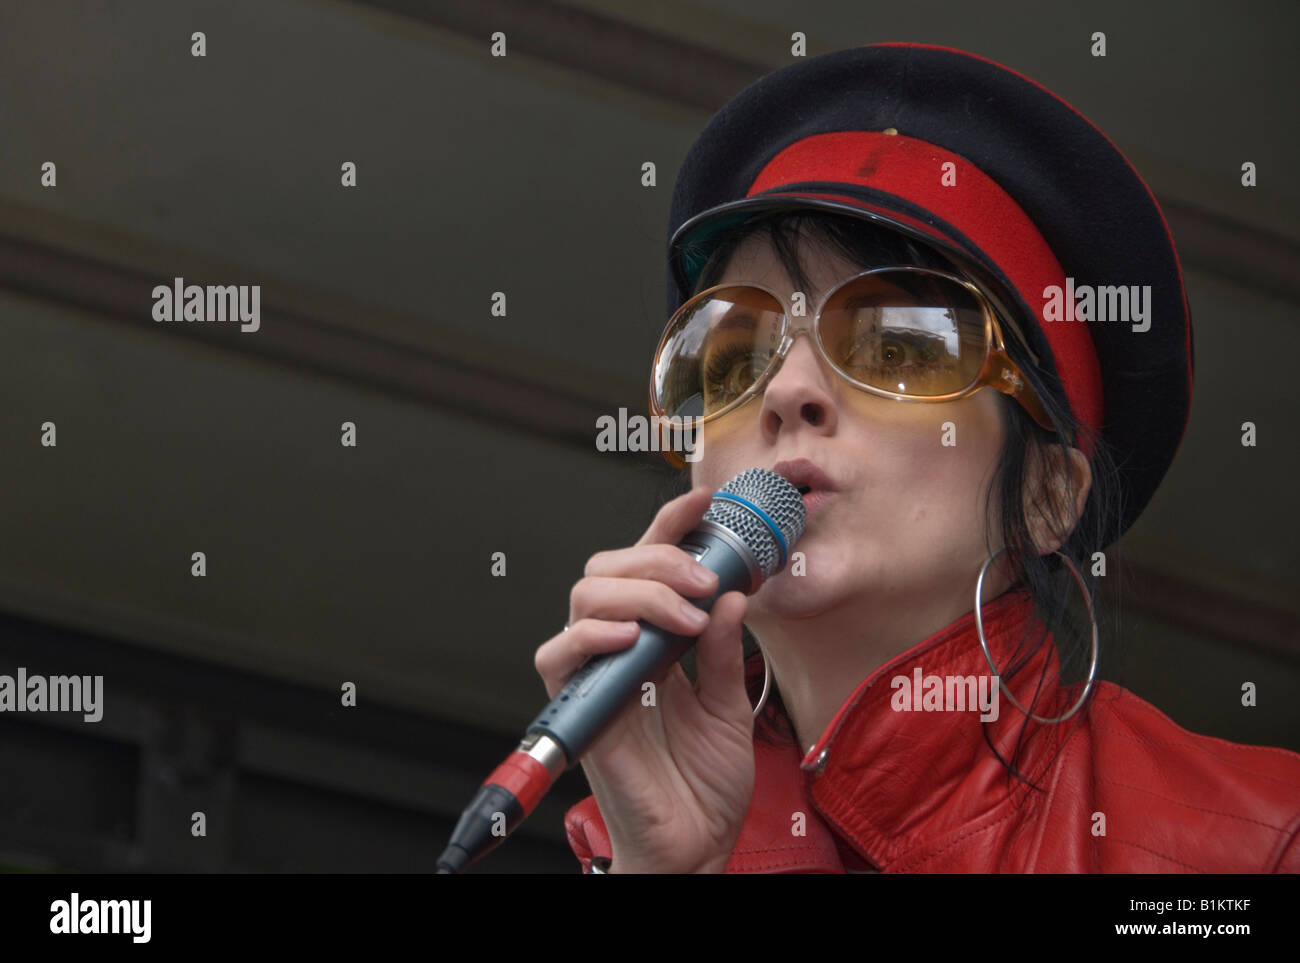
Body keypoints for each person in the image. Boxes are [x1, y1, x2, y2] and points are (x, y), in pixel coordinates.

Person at [533, 43, 1300, 873]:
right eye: (733, 356)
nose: (788, 392)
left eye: (896, 348)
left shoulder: (1256, 844)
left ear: (1046, 494)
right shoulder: (622, 849)